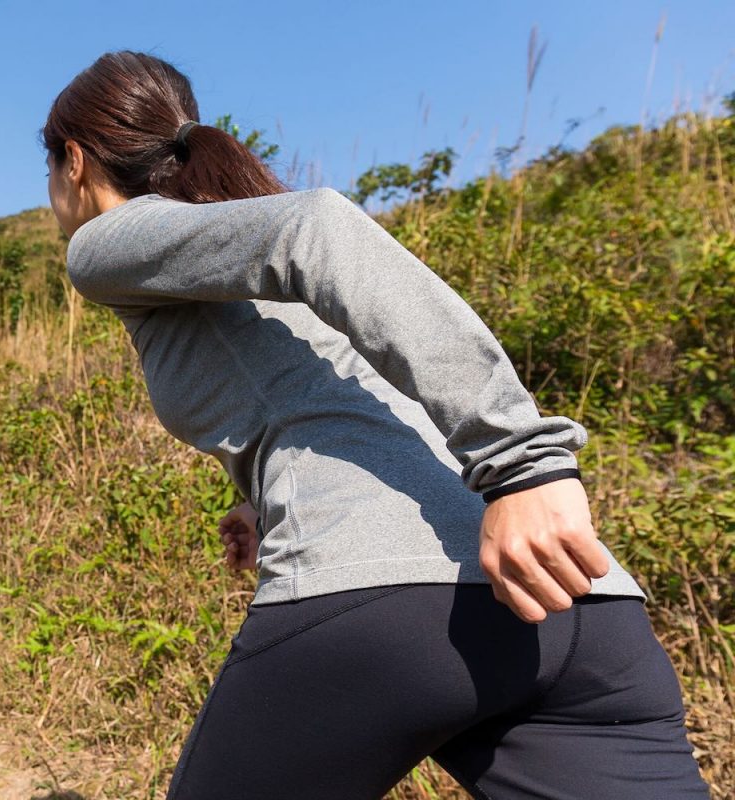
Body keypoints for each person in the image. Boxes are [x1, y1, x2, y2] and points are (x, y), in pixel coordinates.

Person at [42, 50, 709, 799]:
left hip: (399, 604)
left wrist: (524, 461)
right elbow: (339, 384)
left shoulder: (107, 240)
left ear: (73, 161)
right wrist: (264, 496)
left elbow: (315, 226)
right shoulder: (223, 246)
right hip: (581, 606)